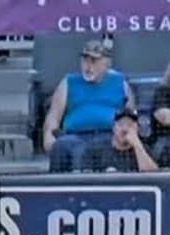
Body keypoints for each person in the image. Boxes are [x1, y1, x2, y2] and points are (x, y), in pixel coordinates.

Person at [43, 40, 134, 173]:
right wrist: (48, 135)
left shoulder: (120, 83)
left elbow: (131, 116)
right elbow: (54, 115)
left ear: (106, 63)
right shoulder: (69, 82)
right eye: (85, 60)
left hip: (109, 135)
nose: (88, 66)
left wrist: (127, 134)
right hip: (75, 135)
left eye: (94, 61)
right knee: (63, 146)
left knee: (101, 149)